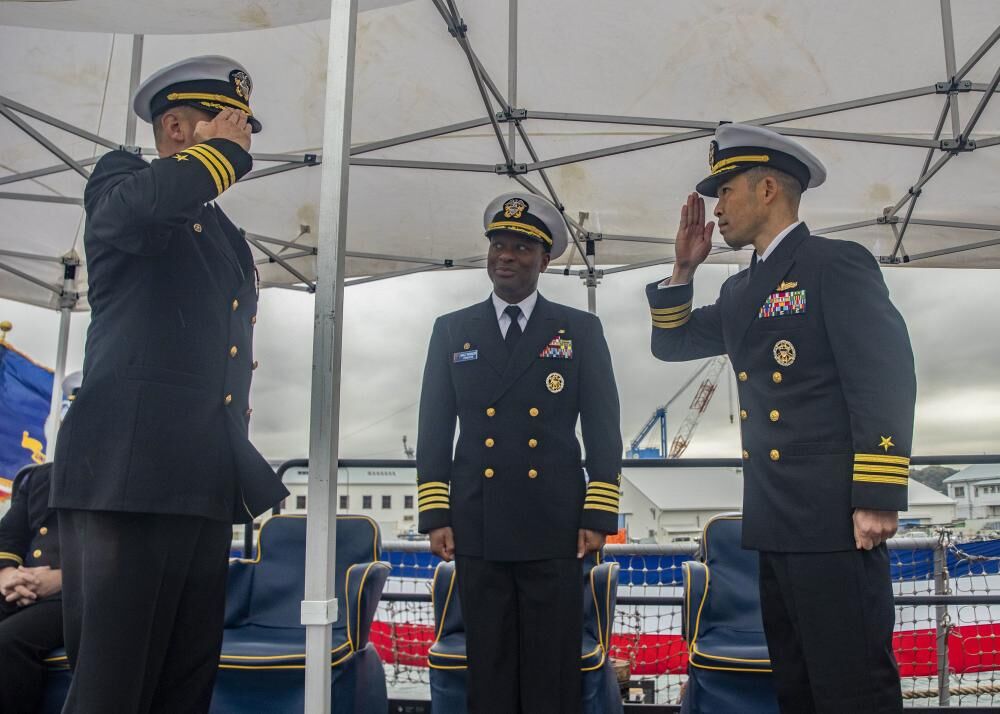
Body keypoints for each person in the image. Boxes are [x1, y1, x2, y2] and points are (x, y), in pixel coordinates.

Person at [646, 123, 915, 713]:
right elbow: (672, 343)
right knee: (796, 685)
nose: (717, 209)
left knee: (852, 686)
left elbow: (883, 377)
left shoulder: (834, 265)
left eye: (726, 191)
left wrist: (878, 494)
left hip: (836, 519)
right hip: (773, 519)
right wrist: (683, 271)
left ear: (767, 189)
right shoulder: (742, 290)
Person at [50, 56, 288, 713]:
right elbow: (131, 216)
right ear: (178, 128)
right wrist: (222, 158)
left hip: (199, 476)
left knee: (183, 684)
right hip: (127, 476)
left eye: (244, 128)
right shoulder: (123, 180)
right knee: (113, 686)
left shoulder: (224, 233)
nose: (242, 137)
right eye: (228, 121)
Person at [416, 191, 624, 713]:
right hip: (478, 520)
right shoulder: (452, 329)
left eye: (521, 248)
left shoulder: (579, 330)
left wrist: (598, 512)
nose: (506, 256)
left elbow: (603, 427)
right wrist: (436, 512)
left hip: (555, 523)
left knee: (551, 664)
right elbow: (434, 426)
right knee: (489, 661)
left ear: (544, 261)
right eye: (498, 245)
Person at [0, 462, 60, 714]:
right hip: (20, 584)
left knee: (7, 641)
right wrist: (6, 573)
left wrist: (63, 579)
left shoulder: (116, 476)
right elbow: (9, 537)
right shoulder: (40, 477)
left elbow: (119, 554)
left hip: (79, 593)